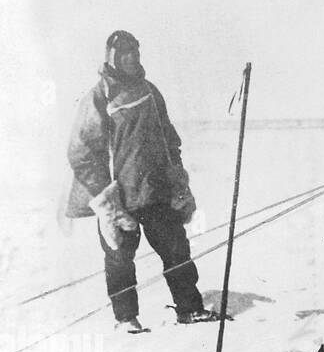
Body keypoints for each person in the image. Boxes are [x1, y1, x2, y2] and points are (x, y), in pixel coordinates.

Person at [66, 30, 215, 331]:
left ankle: (189, 308)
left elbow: (169, 141)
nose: (132, 58)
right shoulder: (98, 97)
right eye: (124, 53)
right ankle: (126, 318)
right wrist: (105, 197)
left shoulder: (149, 91)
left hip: (156, 192)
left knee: (176, 250)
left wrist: (178, 181)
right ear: (112, 58)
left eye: (135, 51)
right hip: (120, 200)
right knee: (119, 259)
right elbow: (81, 153)